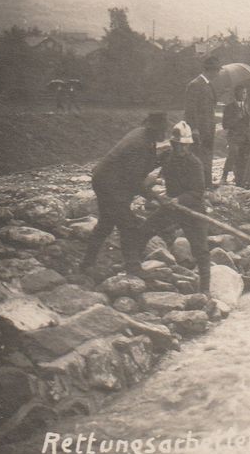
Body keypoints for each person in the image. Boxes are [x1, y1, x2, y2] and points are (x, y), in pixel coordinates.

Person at [80, 112, 169, 274]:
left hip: (109, 181)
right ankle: (133, 267)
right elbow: (133, 180)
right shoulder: (140, 144)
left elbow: (139, 168)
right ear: (154, 130)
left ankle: (87, 263)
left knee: (106, 224)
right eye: (161, 130)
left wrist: (159, 161)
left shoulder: (143, 136)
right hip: (109, 185)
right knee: (128, 225)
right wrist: (154, 197)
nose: (164, 134)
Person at [137, 121, 211, 293]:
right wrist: (149, 182)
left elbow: (198, 192)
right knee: (144, 230)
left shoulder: (195, 164)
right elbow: (150, 168)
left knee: (200, 249)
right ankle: (134, 268)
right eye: (178, 146)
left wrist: (179, 200)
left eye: (185, 146)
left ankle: (205, 289)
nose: (182, 150)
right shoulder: (167, 158)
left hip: (192, 210)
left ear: (189, 145)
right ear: (173, 144)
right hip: (171, 207)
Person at [184, 56, 220, 188]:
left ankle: (207, 182)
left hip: (208, 128)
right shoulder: (195, 84)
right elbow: (190, 109)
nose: (218, 74)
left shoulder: (208, 85)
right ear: (211, 70)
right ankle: (198, 184)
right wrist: (193, 129)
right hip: (199, 129)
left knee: (207, 155)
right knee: (198, 156)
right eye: (217, 71)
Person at [221, 85, 250, 186]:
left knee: (244, 157)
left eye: (246, 93)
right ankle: (224, 176)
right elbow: (225, 124)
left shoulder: (246, 106)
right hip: (234, 136)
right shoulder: (229, 107)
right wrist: (236, 119)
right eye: (242, 93)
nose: (244, 95)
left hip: (245, 136)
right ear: (236, 94)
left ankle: (240, 178)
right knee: (233, 154)